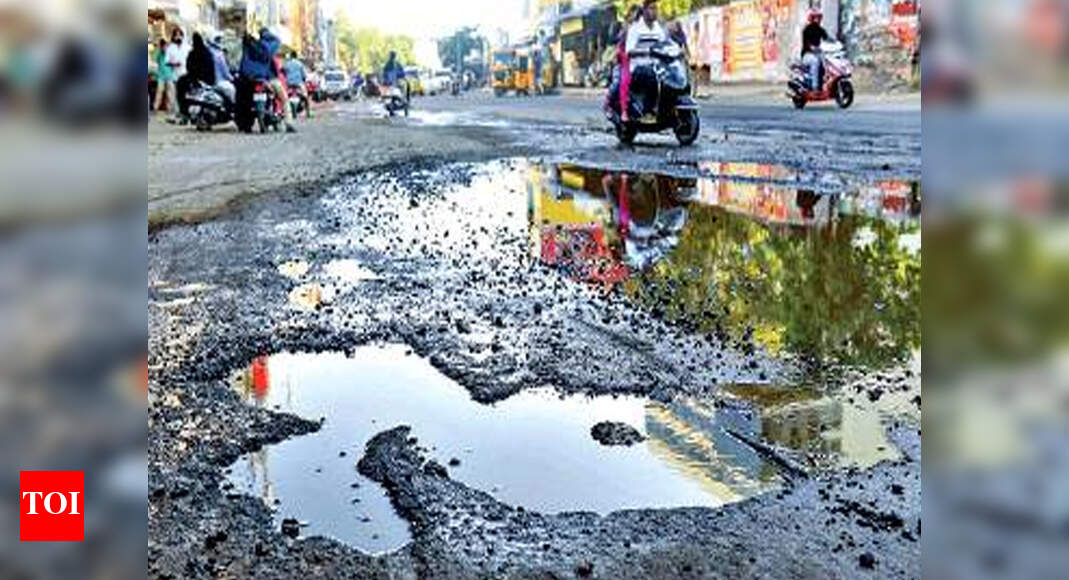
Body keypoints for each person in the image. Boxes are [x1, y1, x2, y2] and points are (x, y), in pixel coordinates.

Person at [238, 28, 295, 132]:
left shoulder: (249, 48)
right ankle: (289, 123)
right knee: (284, 99)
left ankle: (247, 124)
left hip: (250, 80)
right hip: (269, 80)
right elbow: (277, 40)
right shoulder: (268, 48)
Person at [801, 10, 832, 90]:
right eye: (815, 17)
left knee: (827, 62)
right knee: (815, 61)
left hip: (818, 53)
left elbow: (827, 38)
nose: (817, 19)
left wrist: (835, 43)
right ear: (811, 18)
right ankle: (815, 87)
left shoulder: (820, 29)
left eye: (819, 17)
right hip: (807, 55)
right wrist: (812, 48)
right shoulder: (807, 30)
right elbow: (807, 44)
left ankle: (826, 84)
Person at [165, 28, 190, 122]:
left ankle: (185, 114)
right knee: (175, 96)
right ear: (173, 37)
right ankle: (177, 114)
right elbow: (166, 61)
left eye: (180, 35)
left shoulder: (187, 47)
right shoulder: (170, 48)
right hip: (175, 75)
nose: (178, 37)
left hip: (185, 74)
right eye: (176, 35)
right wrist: (174, 64)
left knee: (185, 95)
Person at [282, 51, 312, 118]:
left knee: (284, 97)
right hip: (299, 83)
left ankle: (283, 112)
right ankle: (308, 112)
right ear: (296, 56)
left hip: (289, 84)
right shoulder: (299, 64)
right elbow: (304, 75)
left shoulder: (286, 64)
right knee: (306, 97)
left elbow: (282, 72)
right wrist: (304, 79)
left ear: (291, 56)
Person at [208, 35, 235, 103]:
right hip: (219, 81)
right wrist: (233, 79)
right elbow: (225, 72)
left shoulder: (207, 51)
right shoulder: (219, 54)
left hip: (209, 83)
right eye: (218, 40)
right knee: (233, 92)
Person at [152, 38, 176, 114]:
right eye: (163, 46)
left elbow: (173, 62)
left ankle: (170, 108)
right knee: (159, 91)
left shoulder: (169, 53)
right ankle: (155, 107)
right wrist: (159, 50)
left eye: (165, 46)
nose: (164, 48)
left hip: (169, 75)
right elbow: (154, 59)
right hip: (161, 75)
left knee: (170, 92)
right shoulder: (159, 53)